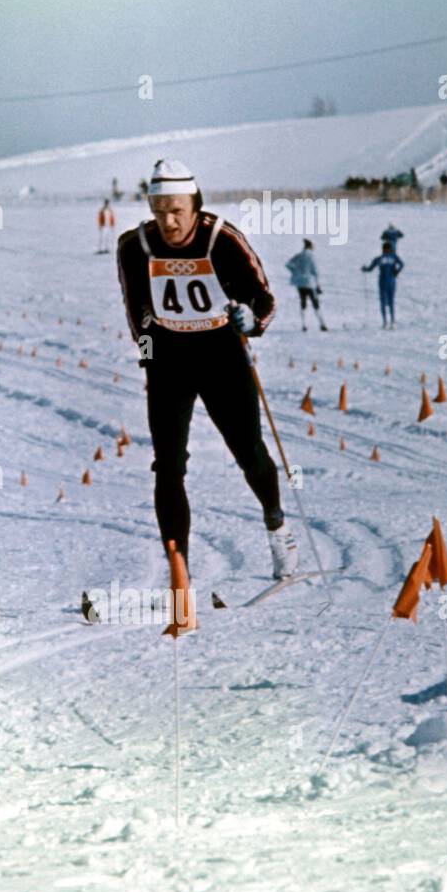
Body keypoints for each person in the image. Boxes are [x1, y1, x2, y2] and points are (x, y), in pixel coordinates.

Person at [117, 158, 297, 585]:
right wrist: (148, 356)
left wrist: (251, 321)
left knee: (249, 451)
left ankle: (277, 527)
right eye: (159, 211)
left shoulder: (222, 238)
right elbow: (134, 312)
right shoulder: (134, 246)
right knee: (168, 465)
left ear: (195, 205)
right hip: (169, 360)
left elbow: (263, 298)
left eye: (177, 210)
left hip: (221, 355)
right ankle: (178, 568)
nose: (168, 221)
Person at [285, 239, 328, 331]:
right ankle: (322, 324)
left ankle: (304, 324)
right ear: (310, 246)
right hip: (310, 283)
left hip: (300, 283)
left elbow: (288, 264)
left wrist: (295, 272)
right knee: (315, 302)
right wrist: (318, 285)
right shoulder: (311, 256)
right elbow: (316, 271)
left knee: (303, 302)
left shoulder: (299, 255)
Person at [362, 242, 404, 328]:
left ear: (383, 249)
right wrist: (397, 271)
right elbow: (402, 264)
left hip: (383, 282)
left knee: (383, 302)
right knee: (391, 301)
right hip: (392, 281)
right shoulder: (394, 257)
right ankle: (392, 321)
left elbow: (370, 269)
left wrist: (364, 269)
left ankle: (385, 322)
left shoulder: (379, 258)